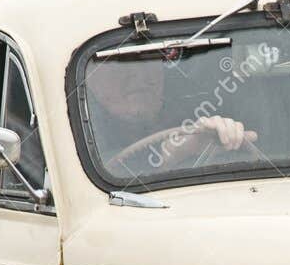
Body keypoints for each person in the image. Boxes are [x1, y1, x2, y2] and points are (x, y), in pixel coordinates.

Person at [85, 59, 255, 179]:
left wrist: (226, 137)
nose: (138, 76)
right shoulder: (76, 128)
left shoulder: (200, 108)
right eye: (117, 64)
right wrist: (169, 155)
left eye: (147, 59)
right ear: (90, 79)